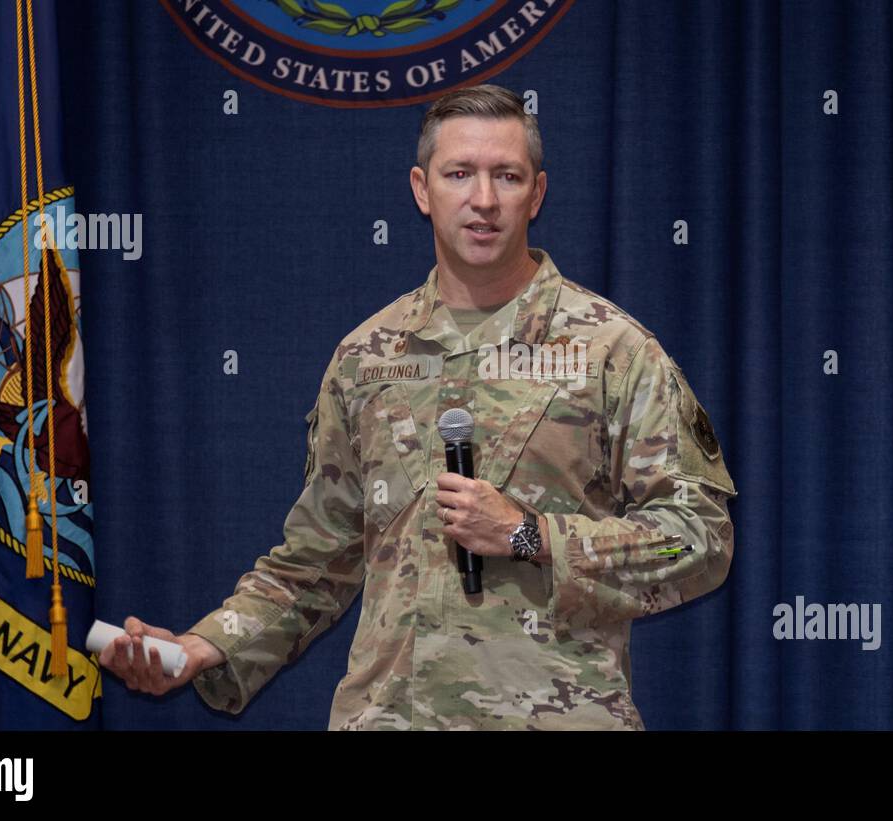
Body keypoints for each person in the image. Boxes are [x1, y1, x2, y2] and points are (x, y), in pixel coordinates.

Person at [100, 84, 738, 730]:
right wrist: (203, 645)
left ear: (537, 194)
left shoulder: (613, 351)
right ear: (421, 189)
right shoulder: (366, 357)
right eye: (459, 174)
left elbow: (700, 540)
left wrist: (531, 535)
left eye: (506, 176)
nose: (483, 200)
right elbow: (318, 562)